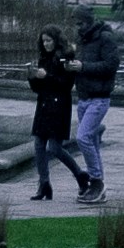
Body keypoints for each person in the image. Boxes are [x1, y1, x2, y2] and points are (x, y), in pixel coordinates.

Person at [71, 15, 121, 199]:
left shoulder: (105, 38)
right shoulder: (82, 40)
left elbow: (111, 65)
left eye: (81, 22)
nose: (78, 26)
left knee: (82, 137)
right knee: (90, 141)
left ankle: (97, 181)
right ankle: (97, 184)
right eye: (76, 23)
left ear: (90, 22)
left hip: (99, 98)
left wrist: (83, 67)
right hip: (84, 97)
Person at [26, 31, 80, 200]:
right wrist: (33, 77)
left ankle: (80, 176)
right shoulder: (43, 58)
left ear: (56, 41)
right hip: (44, 105)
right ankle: (44, 184)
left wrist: (46, 76)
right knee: (39, 145)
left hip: (59, 107)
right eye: (44, 41)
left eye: (49, 40)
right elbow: (38, 88)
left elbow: (65, 85)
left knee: (55, 147)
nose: (46, 44)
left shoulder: (65, 59)